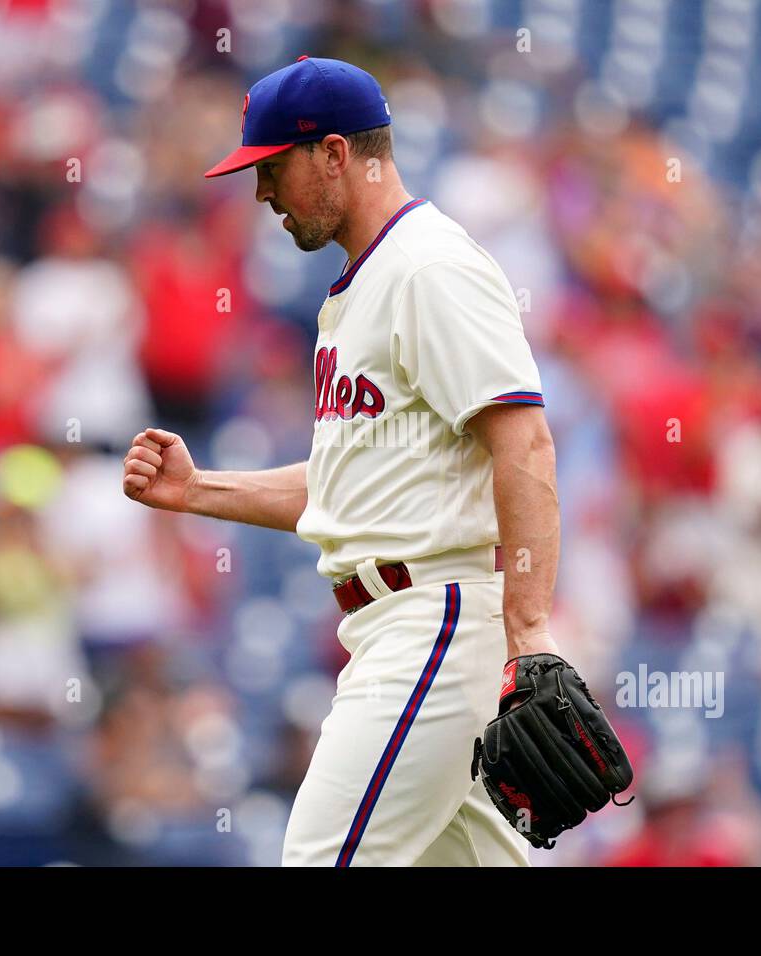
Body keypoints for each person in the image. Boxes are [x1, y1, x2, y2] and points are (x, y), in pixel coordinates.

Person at [122, 56, 558, 866]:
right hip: (400, 624)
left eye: (271, 168)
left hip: (435, 622)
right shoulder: (362, 286)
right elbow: (349, 491)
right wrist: (198, 490)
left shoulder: (429, 266)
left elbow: (524, 441)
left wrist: (530, 633)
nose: (260, 195)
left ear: (333, 154)